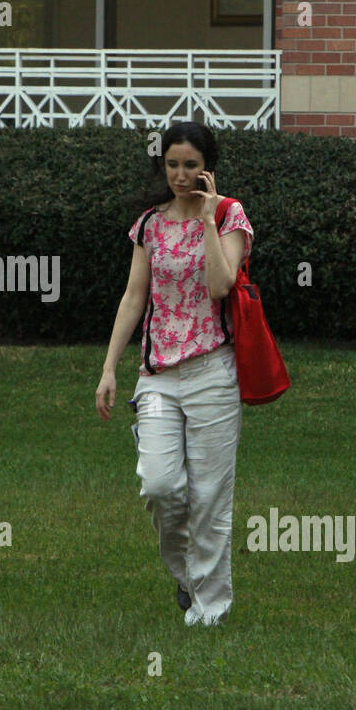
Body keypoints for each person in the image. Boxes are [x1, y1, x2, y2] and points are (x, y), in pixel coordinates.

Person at [95, 121, 253, 625]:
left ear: (208, 167)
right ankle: (187, 576)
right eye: (172, 165)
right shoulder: (148, 223)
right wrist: (109, 369)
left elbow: (219, 286)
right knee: (161, 486)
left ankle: (210, 607)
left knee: (209, 496)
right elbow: (134, 297)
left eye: (190, 166)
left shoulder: (230, 216)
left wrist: (206, 220)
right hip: (158, 371)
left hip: (212, 369)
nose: (180, 176)